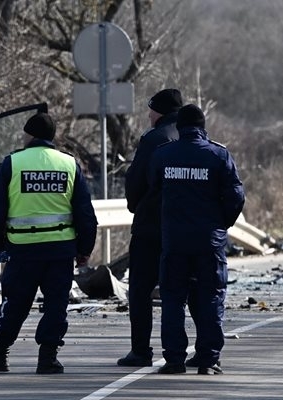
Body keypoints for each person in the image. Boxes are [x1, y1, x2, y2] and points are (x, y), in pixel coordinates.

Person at [0, 112, 98, 374]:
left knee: (14, 304)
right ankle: (48, 358)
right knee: (56, 305)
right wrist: (84, 249)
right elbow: (85, 213)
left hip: (23, 250)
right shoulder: (69, 164)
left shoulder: (13, 163)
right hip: (60, 250)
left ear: (29, 135)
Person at [149, 104, 245, 375]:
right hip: (209, 242)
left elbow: (153, 189)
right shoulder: (218, 155)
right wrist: (220, 224)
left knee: (172, 299)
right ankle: (208, 359)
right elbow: (236, 196)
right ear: (203, 127)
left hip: (175, 242)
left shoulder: (164, 155)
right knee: (211, 297)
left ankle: (175, 359)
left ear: (178, 127)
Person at [117, 88, 183, 367]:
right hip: (182, 229)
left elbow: (136, 181)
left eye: (152, 109)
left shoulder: (153, 139)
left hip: (150, 227)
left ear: (161, 111)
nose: (148, 114)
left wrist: (136, 206)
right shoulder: (193, 137)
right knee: (179, 291)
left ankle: (141, 350)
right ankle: (191, 352)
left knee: (141, 290)